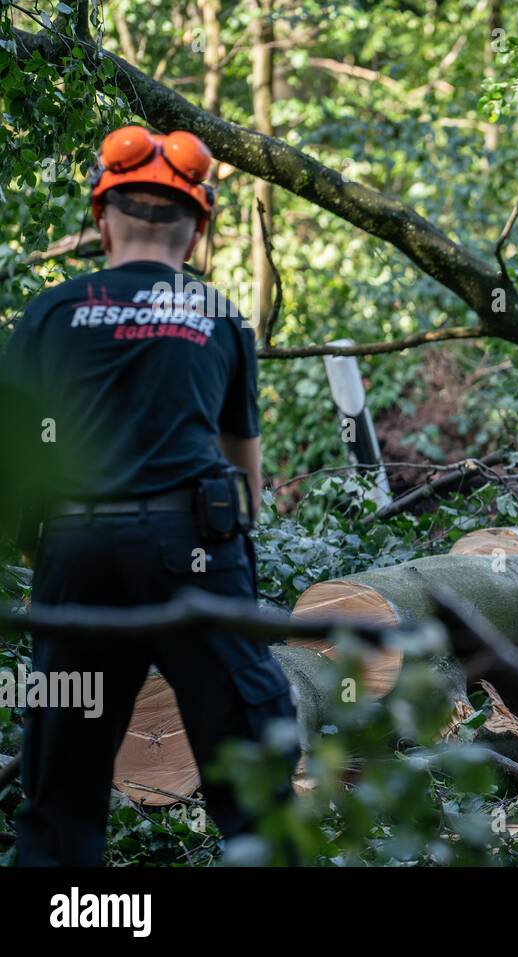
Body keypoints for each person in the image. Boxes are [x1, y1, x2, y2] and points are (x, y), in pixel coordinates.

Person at [2, 125, 296, 865]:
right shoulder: (221, 316)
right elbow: (246, 474)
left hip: (77, 560)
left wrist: (46, 547)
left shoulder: (47, 314)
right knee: (253, 772)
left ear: (101, 221)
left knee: (61, 788)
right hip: (196, 549)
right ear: (197, 233)